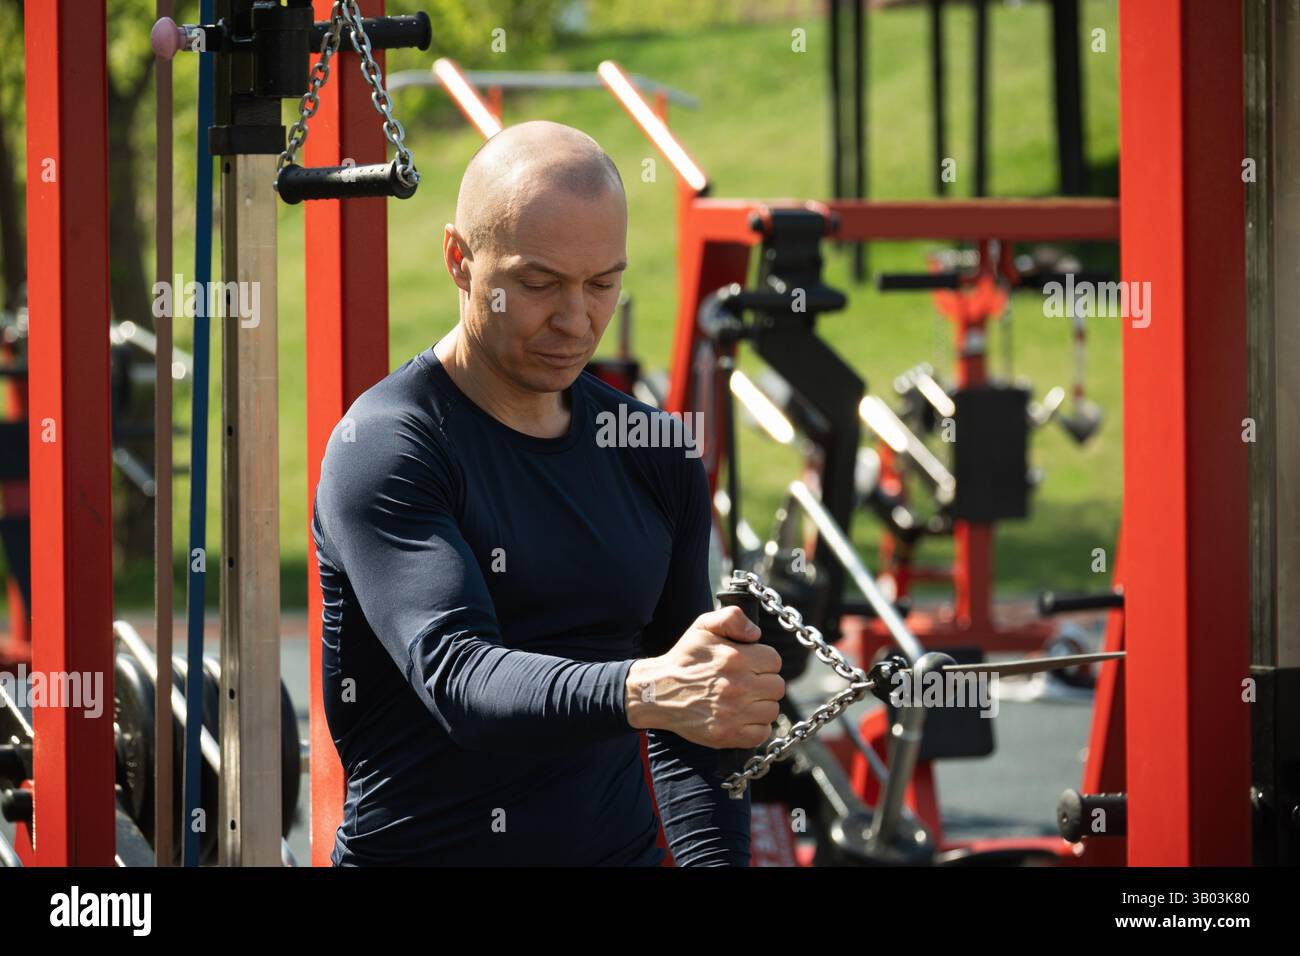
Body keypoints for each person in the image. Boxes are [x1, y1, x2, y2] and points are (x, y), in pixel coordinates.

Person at [312, 120, 785, 866]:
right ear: (460, 262)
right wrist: (648, 689)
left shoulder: (654, 452)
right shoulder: (388, 446)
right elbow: (459, 676)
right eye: (537, 284)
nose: (575, 319)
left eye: (603, 284)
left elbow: (699, 718)